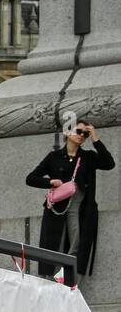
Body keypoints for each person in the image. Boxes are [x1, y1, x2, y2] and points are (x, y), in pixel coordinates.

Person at [26, 119, 114, 278]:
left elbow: (109, 163)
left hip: (80, 210)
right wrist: (50, 182)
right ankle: (50, 281)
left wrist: (95, 137)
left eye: (85, 134)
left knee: (77, 244)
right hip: (56, 211)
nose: (82, 136)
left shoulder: (88, 157)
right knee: (54, 246)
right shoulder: (54, 157)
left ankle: (67, 281)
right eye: (78, 131)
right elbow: (30, 178)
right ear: (67, 132)